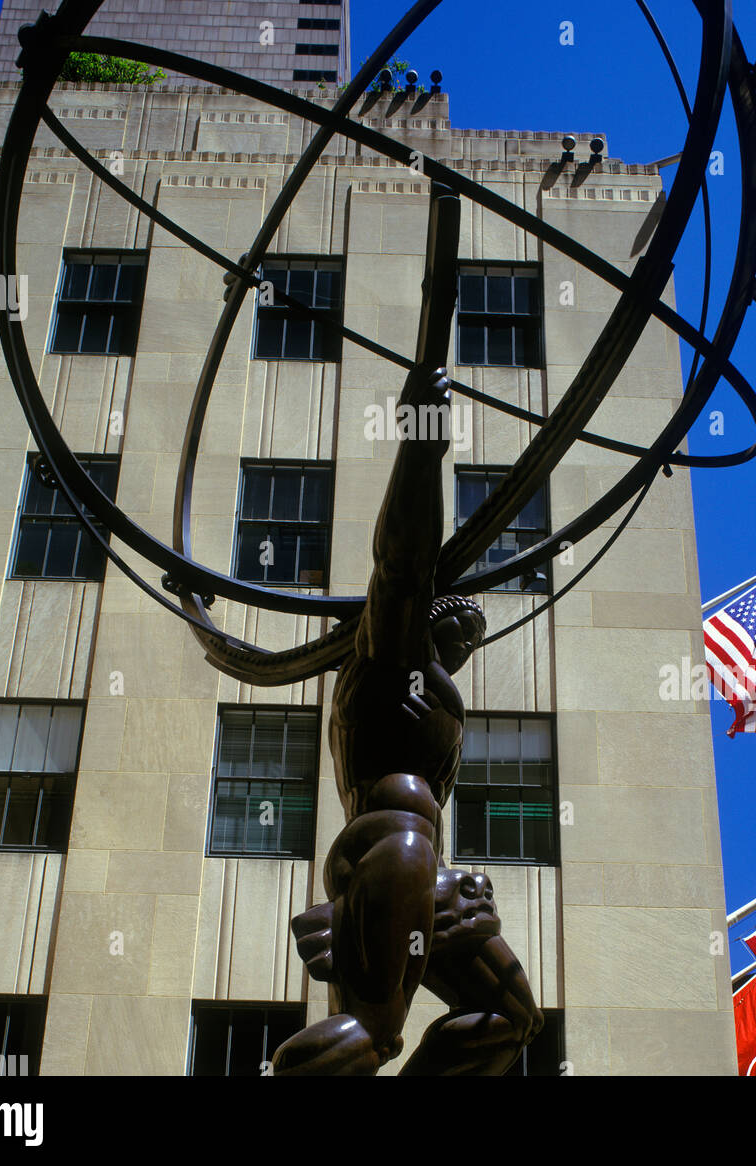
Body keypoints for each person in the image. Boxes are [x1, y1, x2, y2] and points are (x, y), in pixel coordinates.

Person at [272, 366, 542, 1075]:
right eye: (456, 626)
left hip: (424, 861)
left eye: (473, 636)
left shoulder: (425, 687)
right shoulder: (389, 659)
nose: (467, 639)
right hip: (392, 846)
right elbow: (400, 564)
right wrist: (422, 445)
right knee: (371, 1034)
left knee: (512, 1017)